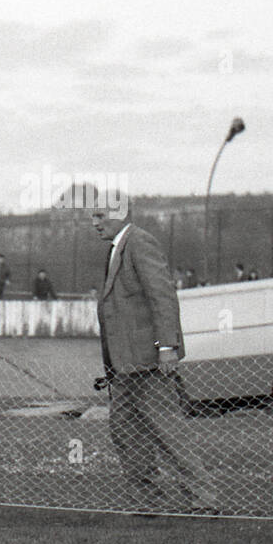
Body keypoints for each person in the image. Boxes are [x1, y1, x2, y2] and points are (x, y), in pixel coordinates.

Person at [89, 186, 220, 514]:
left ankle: (204, 502)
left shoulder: (140, 242)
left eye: (100, 215)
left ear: (119, 214)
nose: (94, 222)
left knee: (169, 434)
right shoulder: (115, 249)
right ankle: (148, 504)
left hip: (148, 364)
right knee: (126, 435)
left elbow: (162, 297)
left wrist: (167, 347)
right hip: (122, 369)